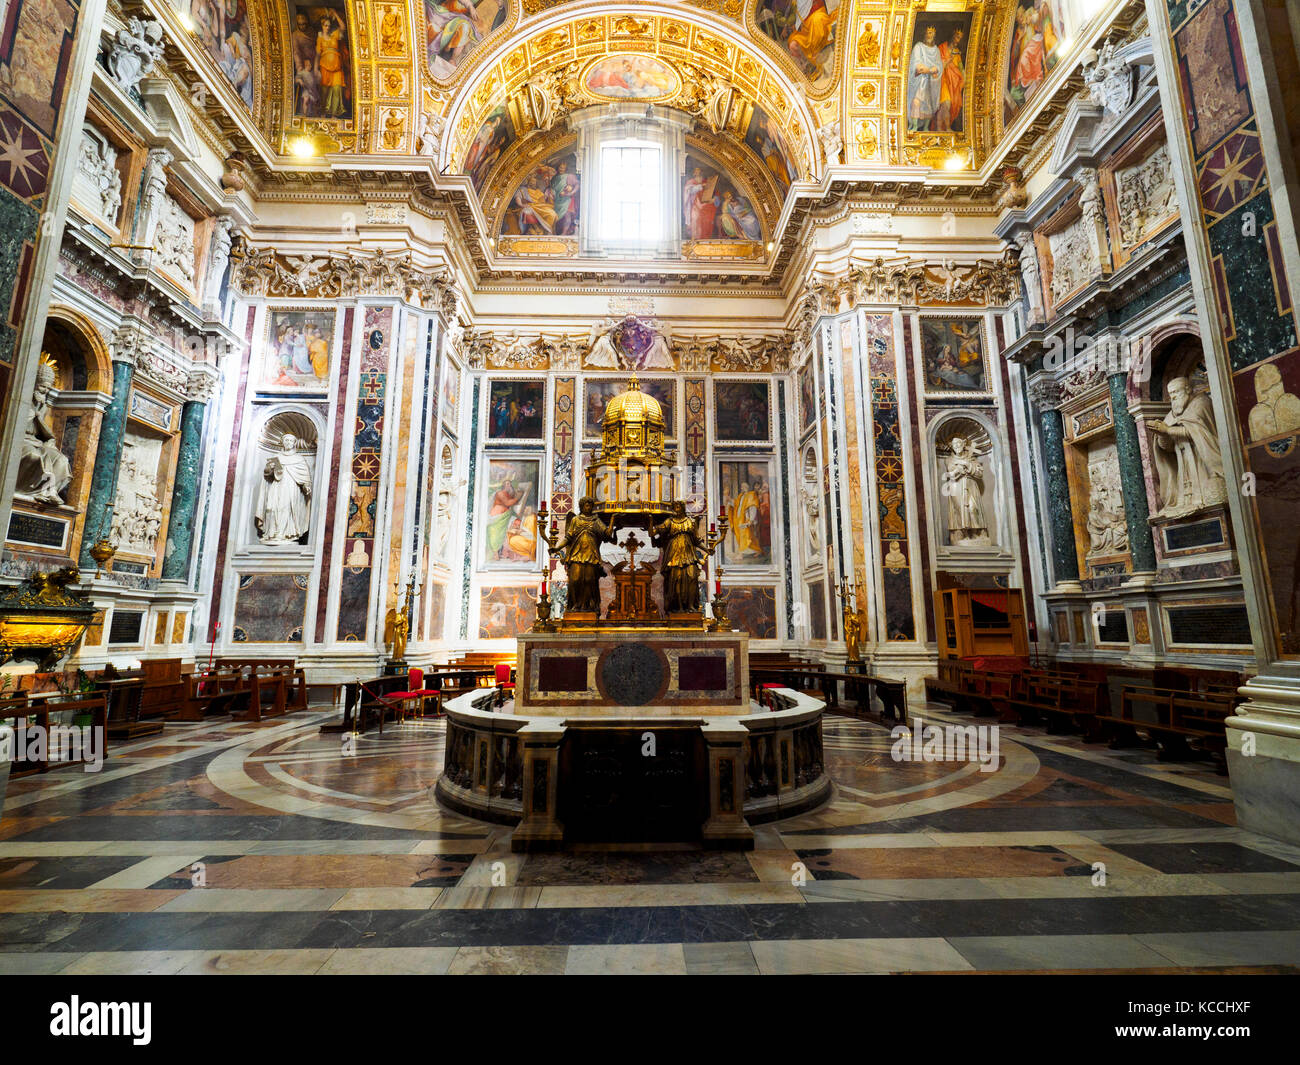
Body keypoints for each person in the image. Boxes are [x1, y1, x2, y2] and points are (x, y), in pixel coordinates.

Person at [1150, 377, 1226, 517]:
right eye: (1170, 393)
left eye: (1176, 392)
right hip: (1182, 460)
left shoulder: (1201, 403)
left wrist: (1167, 430)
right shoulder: (1171, 415)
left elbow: (1197, 431)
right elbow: (1167, 448)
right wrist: (1161, 434)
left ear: (1188, 390)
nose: (1172, 396)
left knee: (1207, 496)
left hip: (1202, 459)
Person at [15, 363, 72, 504]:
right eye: (42, 386)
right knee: (35, 456)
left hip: (35, 441)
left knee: (61, 460)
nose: (45, 391)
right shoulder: (18, 397)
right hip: (17, 439)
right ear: (34, 383)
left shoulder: (43, 406)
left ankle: (48, 492)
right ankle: (29, 491)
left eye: (48, 388)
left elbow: (42, 431)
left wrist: (39, 413)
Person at [255, 434, 313, 544]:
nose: (288, 442)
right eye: (286, 440)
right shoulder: (276, 457)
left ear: (294, 443)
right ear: (283, 442)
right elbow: (267, 474)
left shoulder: (299, 459)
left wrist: (306, 486)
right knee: (271, 507)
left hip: (291, 487)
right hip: (276, 485)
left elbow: (305, 476)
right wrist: (270, 469)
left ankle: (283, 534)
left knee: (285, 508)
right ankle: (271, 533)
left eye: (291, 440)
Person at [559, 497, 612, 613]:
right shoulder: (575, 520)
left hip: (591, 555)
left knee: (589, 580)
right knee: (575, 579)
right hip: (576, 554)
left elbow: (606, 534)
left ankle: (589, 607)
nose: (588, 508)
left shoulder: (596, 520)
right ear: (582, 507)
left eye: (590, 506)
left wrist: (612, 520)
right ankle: (575, 606)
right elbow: (568, 537)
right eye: (586, 505)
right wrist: (556, 547)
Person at [653, 501, 704, 614]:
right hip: (674, 555)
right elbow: (653, 533)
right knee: (676, 580)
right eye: (675, 506)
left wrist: (707, 549)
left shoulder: (690, 522)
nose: (677, 508)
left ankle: (691, 606)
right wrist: (649, 520)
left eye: (679, 506)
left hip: (689, 554)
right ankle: (678, 608)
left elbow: (697, 540)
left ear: (682, 508)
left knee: (691, 577)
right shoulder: (669, 522)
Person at [944, 437, 990, 545]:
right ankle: (962, 535)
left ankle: (976, 533)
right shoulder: (949, 459)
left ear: (964, 444)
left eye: (959, 443)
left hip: (970, 485)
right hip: (956, 486)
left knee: (974, 508)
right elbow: (951, 473)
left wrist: (968, 465)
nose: (957, 446)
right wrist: (960, 468)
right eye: (954, 444)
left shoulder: (971, 458)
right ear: (952, 446)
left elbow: (979, 473)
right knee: (960, 510)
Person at [907, 24, 943, 131]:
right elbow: (916, 64)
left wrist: (930, 70)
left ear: (934, 35)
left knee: (928, 106)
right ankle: (914, 126)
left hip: (931, 83)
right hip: (920, 81)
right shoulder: (918, 47)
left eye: (931, 33)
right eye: (927, 32)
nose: (929, 35)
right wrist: (928, 69)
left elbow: (938, 66)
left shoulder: (936, 50)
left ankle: (926, 128)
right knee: (916, 102)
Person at [317, 14, 349, 118]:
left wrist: (335, 14)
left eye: (329, 25)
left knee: (337, 89)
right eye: (325, 25)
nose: (328, 27)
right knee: (324, 90)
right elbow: (318, 54)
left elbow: (343, 27)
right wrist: (314, 68)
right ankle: (322, 114)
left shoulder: (335, 35)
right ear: (322, 26)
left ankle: (334, 115)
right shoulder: (320, 37)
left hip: (337, 67)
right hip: (324, 66)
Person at [729, 480, 763, 558]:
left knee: (745, 536)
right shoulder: (741, 495)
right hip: (738, 518)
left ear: (746, 487)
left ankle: (741, 554)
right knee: (749, 537)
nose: (741, 488)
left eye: (743, 487)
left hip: (746, 519)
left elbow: (752, 507)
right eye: (741, 487)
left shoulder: (751, 495)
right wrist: (730, 501)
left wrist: (751, 519)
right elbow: (736, 504)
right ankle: (758, 550)